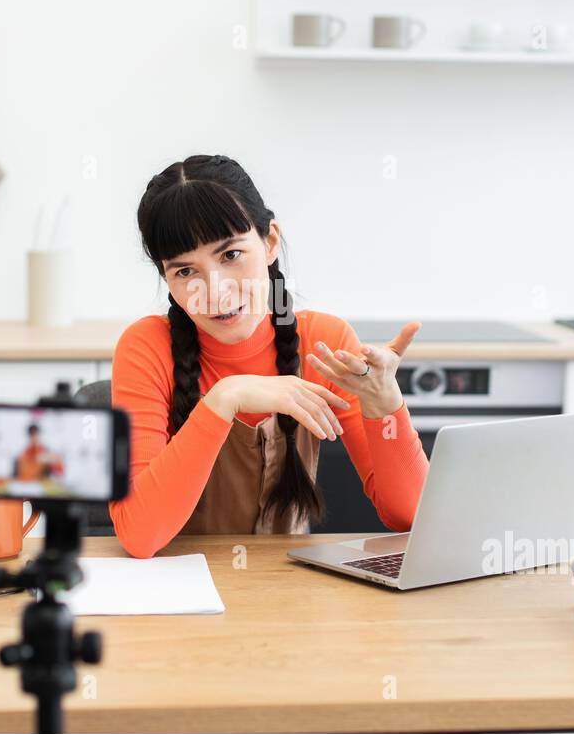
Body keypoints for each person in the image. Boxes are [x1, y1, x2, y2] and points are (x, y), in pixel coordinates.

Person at [109, 154, 429, 558]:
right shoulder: (146, 348)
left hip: (292, 598)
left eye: (231, 255)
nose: (216, 291)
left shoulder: (324, 342)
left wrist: (386, 404)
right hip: (181, 600)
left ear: (270, 242)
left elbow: (412, 518)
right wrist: (225, 398)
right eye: (185, 271)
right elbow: (139, 535)